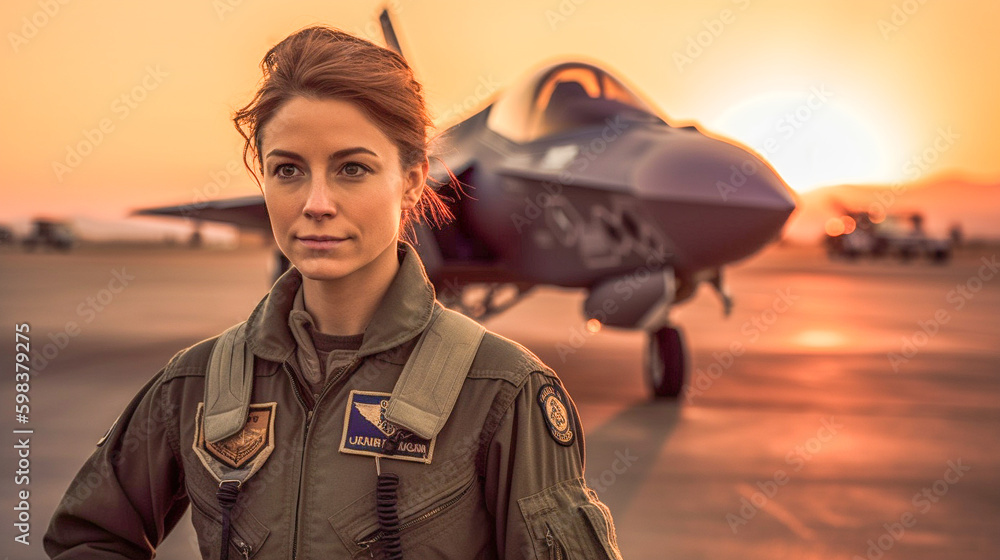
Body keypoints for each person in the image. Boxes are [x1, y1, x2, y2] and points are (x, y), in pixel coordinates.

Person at [44, 26, 623, 559]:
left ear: (413, 178)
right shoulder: (194, 384)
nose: (316, 203)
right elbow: (89, 538)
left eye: (352, 169)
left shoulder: (502, 392)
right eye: (288, 170)